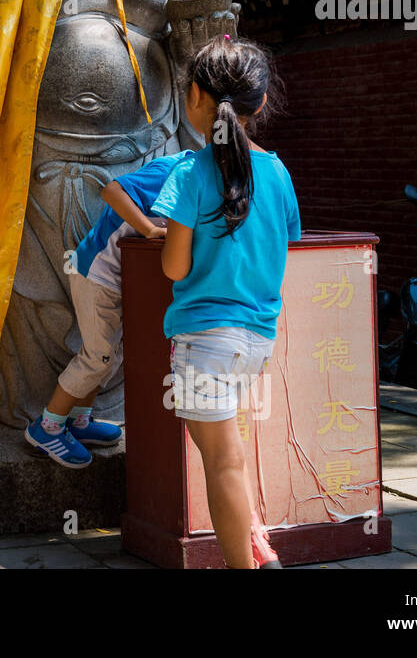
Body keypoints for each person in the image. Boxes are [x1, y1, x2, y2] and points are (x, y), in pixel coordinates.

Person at [150, 35, 299, 569]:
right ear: (260, 104)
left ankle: (244, 566)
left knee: (221, 464)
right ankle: (258, 550)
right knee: (230, 454)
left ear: (193, 96)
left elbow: (174, 268)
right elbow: (281, 248)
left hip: (205, 341)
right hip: (256, 342)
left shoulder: (189, 172)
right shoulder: (279, 174)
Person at [25, 150, 192, 468]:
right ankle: (47, 427)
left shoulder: (193, 175)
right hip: (97, 273)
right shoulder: (178, 171)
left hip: (114, 276)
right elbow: (112, 190)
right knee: (97, 357)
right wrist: (149, 229)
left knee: (109, 356)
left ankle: (80, 420)